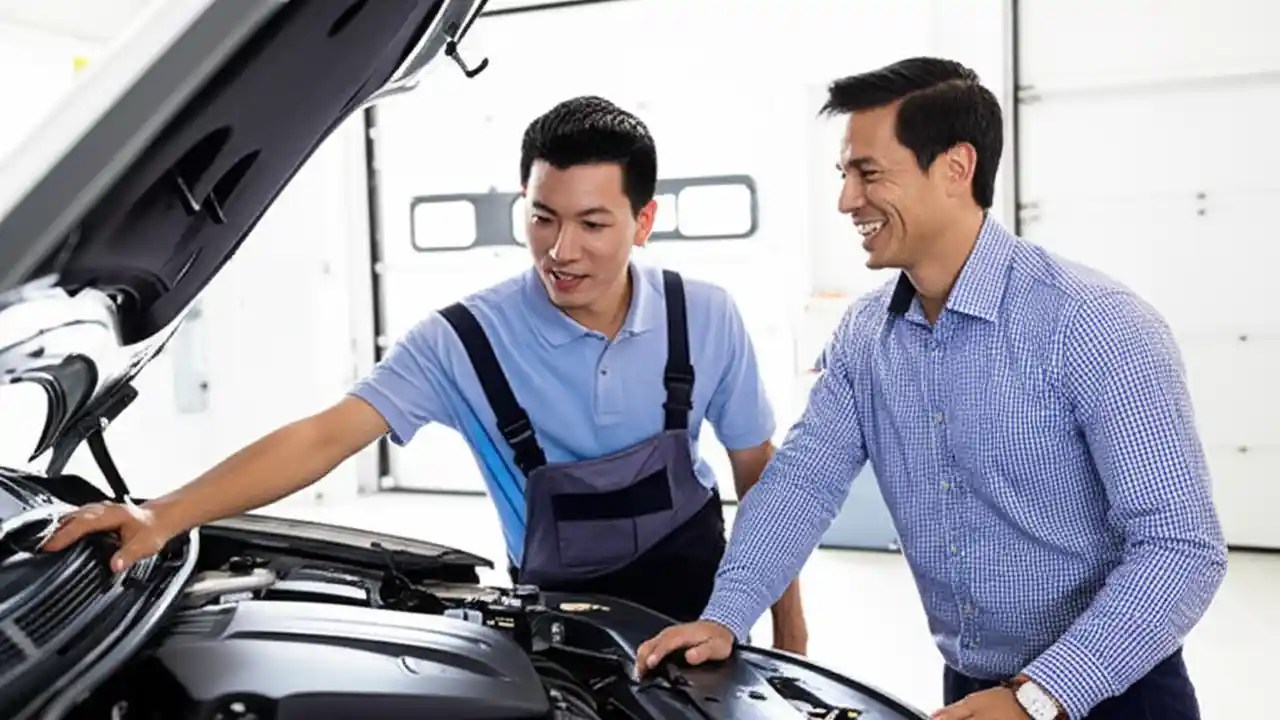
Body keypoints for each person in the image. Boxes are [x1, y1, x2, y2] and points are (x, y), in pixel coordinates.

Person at [41, 95, 807, 652]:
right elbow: (325, 436)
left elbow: (759, 475)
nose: (559, 250)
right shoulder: (462, 340)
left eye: (593, 223)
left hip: (709, 614)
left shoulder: (704, 315)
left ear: (644, 221)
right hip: (562, 629)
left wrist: (789, 633)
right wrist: (161, 514)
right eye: (542, 216)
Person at [635, 57, 1227, 720]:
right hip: (974, 693)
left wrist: (1038, 695)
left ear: (955, 169)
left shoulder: (1093, 324)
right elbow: (803, 481)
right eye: (844, 175)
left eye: (869, 173)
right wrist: (727, 616)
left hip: (1113, 691)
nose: (846, 200)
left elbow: (1181, 546)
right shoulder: (866, 335)